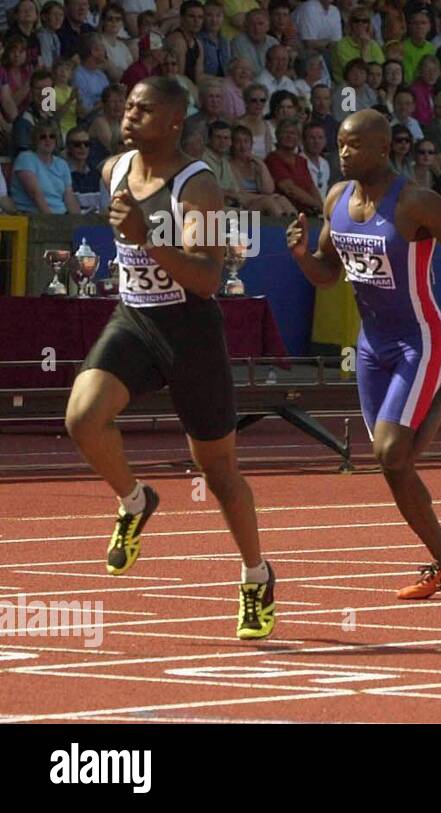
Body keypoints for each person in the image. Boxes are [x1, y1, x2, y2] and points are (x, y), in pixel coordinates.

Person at [63, 76, 276, 640]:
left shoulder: (197, 186)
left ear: (175, 122)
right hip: (134, 318)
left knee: (219, 471)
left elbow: (208, 278)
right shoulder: (114, 169)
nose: (130, 114)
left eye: (145, 108)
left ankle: (256, 575)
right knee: (82, 418)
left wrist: (146, 239)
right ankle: (135, 503)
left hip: (190, 330)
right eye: (128, 105)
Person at [286, 109, 441, 601]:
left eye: (354, 145)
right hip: (372, 345)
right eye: (340, 144)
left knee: (390, 453)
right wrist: (304, 256)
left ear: (384, 149)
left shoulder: (415, 203)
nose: (343, 153)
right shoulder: (337, 199)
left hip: (419, 338)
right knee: (393, 464)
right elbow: (329, 274)